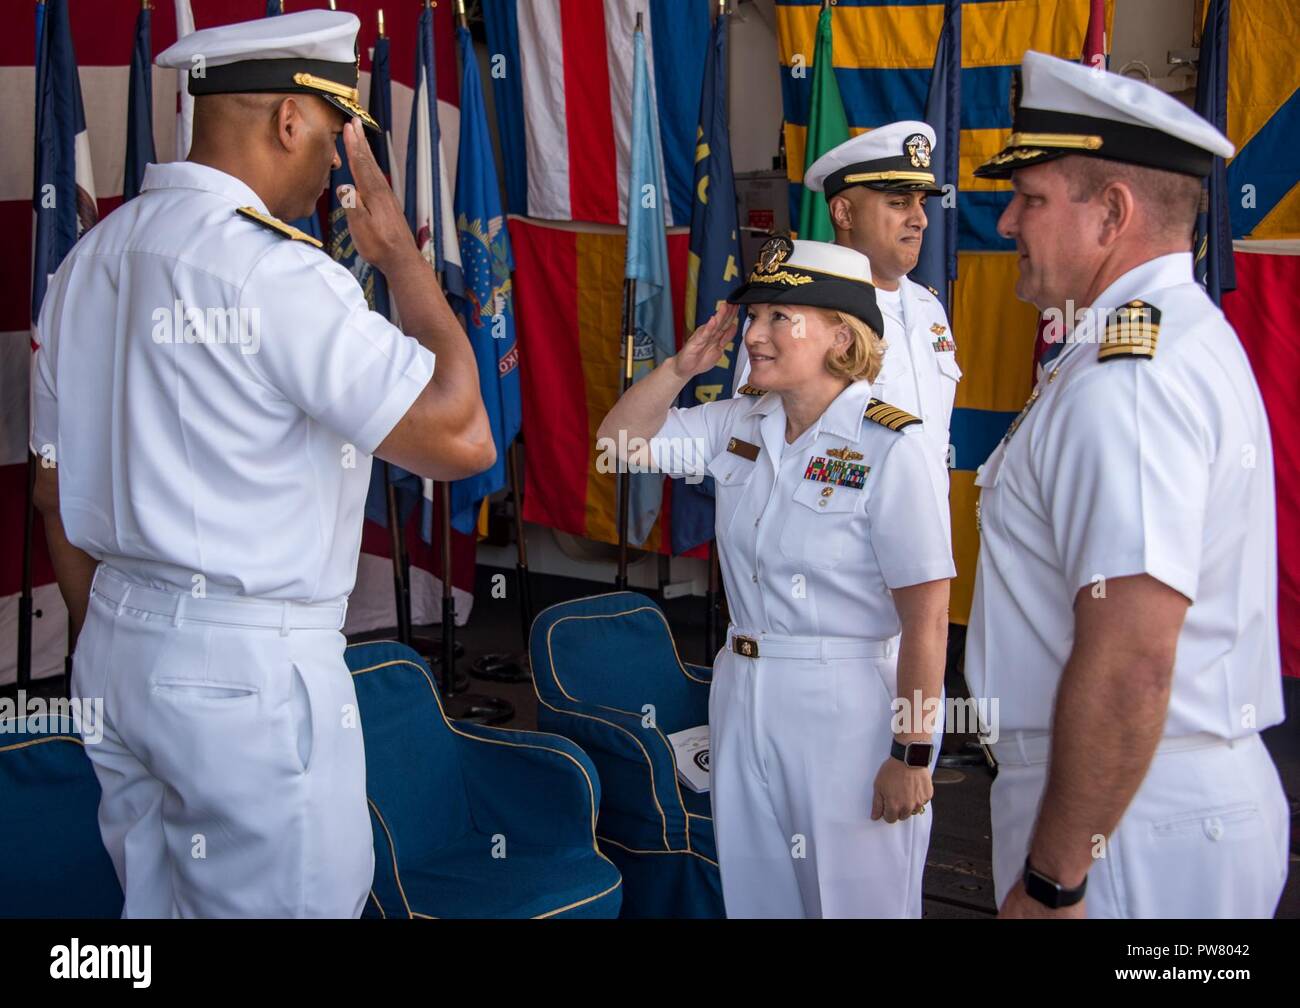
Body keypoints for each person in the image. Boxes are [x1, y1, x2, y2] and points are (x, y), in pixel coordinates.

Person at [29, 10, 494, 918]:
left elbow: (53, 488)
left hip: (118, 649)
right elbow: (462, 436)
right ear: (290, 120)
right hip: (245, 674)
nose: (335, 165)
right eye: (333, 136)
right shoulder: (276, 274)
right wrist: (401, 261)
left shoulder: (88, 261)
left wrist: (126, 638)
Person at [966, 50, 1288, 918]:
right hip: (1149, 805)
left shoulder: (1130, 380)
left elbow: (1133, 660)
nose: (1004, 225)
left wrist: (1054, 880)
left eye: (1030, 199)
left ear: (1113, 212)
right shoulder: (1170, 340)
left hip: (1126, 829)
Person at [599, 237, 954, 917]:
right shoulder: (741, 422)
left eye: (777, 318)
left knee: (855, 901)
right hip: (743, 692)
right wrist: (679, 368)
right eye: (754, 316)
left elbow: (928, 618)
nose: (753, 336)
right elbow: (619, 444)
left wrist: (911, 752)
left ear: (839, 336)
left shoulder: (889, 445)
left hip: (845, 707)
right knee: (761, 899)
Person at [734, 122, 961, 467]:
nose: (920, 220)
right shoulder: (795, 307)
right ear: (843, 213)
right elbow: (749, 442)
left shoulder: (930, 308)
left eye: (920, 204)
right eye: (899, 203)